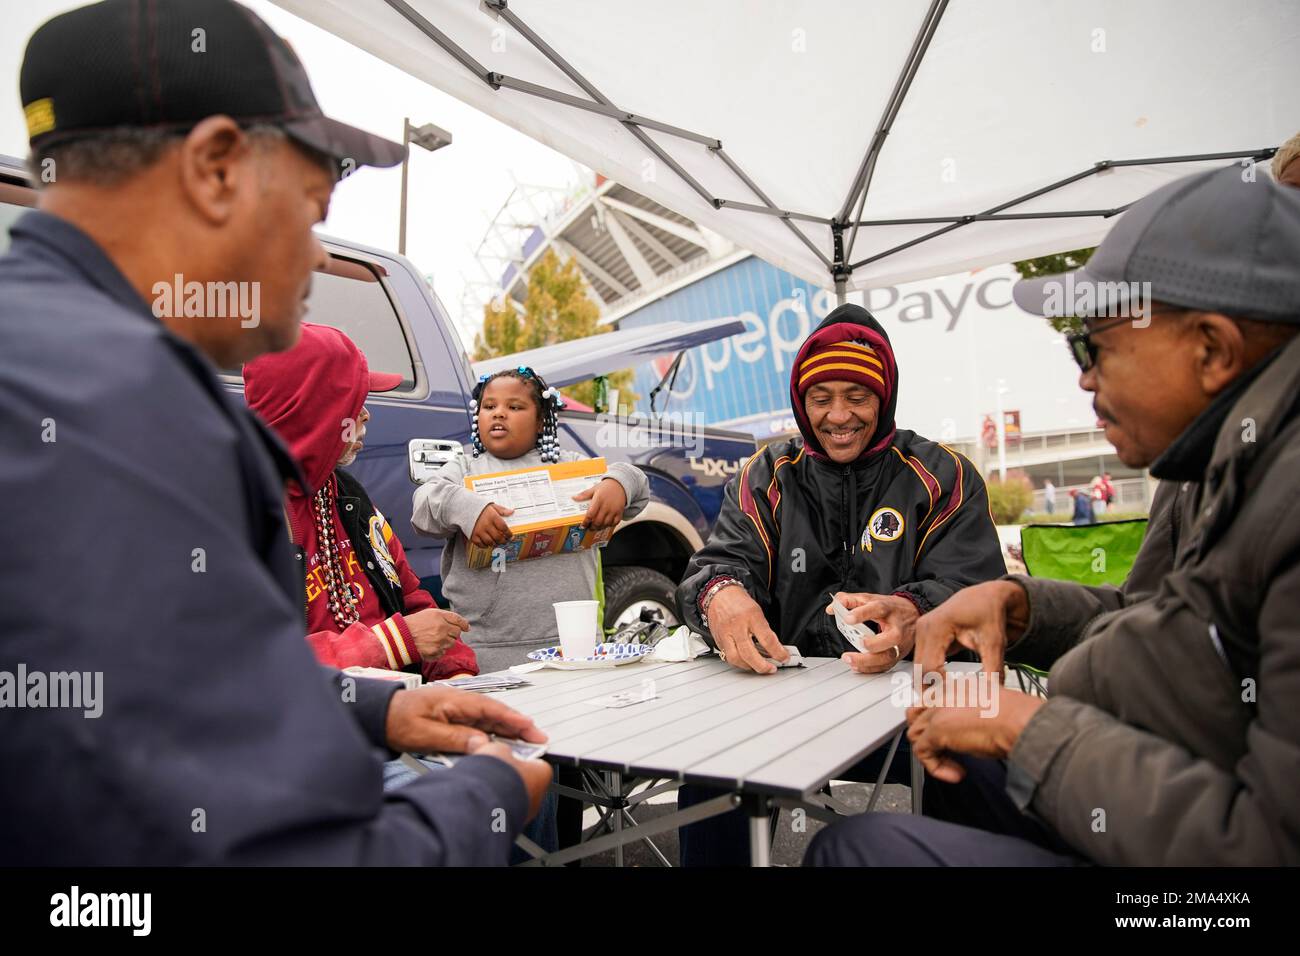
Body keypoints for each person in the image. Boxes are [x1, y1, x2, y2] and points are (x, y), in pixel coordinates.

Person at [1, 0, 549, 865]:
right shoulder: (132, 413)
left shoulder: (58, 368)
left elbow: (177, 693)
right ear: (218, 168)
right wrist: (479, 807)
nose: (322, 258)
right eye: (310, 204)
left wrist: (377, 707)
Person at [806, 164, 1300, 866]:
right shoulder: (1205, 468)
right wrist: (1021, 607)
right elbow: (1153, 620)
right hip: (1160, 778)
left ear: (1212, 349)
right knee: (940, 746)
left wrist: (1025, 730)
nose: (1083, 378)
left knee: (856, 848)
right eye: (819, 398)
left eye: (1093, 346)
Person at [672, 303, 1006, 864]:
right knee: (715, 765)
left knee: (979, 758)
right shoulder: (765, 474)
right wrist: (718, 593)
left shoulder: (943, 474)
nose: (838, 416)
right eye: (820, 398)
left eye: (858, 396)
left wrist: (911, 612)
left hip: (911, 703)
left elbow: (976, 588)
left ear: (885, 398)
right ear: (801, 404)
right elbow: (720, 562)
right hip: (784, 706)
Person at [243, 323, 478, 682]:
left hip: (393, 710)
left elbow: (409, 596)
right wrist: (391, 643)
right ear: (312, 413)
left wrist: (456, 674)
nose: (366, 414)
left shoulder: (345, 493)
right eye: (353, 401)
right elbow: (249, 665)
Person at [410, 367, 649, 674]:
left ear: (540, 421)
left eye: (514, 407)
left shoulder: (572, 466)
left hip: (575, 646)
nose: (499, 414)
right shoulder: (463, 469)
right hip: (487, 649)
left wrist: (619, 484)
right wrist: (466, 508)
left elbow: (638, 487)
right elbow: (422, 509)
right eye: (489, 406)